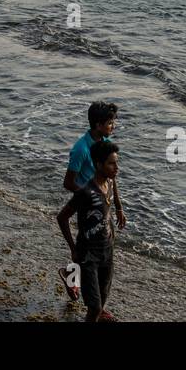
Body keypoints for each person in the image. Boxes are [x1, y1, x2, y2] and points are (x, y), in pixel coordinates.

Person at [60, 101, 126, 299]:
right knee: (87, 246)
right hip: (87, 204)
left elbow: (111, 179)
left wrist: (119, 207)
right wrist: (90, 196)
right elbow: (68, 182)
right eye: (109, 123)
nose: (113, 126)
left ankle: (85, 287)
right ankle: (71, 276)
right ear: (97, 125)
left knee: (103, 244)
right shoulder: (81, 149)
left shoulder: (105, 145)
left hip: (103, 202)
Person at [57, 139, 120, 321]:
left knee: (100, 305)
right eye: (111, 163)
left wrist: (119, 212)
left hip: (107, 254)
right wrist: (73, 248)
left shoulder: (109, 183)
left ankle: (71, 276)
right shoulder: (85, 192)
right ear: (98, 164)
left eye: (117, 162)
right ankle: (70, 274)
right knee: (94, 308)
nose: (116, 168)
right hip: (88, 256)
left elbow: (107, 213)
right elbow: (62, 217)